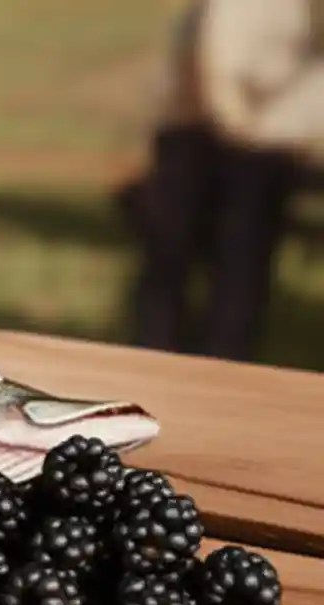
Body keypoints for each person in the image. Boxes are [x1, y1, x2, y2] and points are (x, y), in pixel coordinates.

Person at [125, 0, 324, 361]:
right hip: (213, 137)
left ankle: (219, 361)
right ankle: (158, 358)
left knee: (237, 271)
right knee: (183, 268)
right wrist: (242, 129)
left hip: (251, 140)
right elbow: (218, 67)